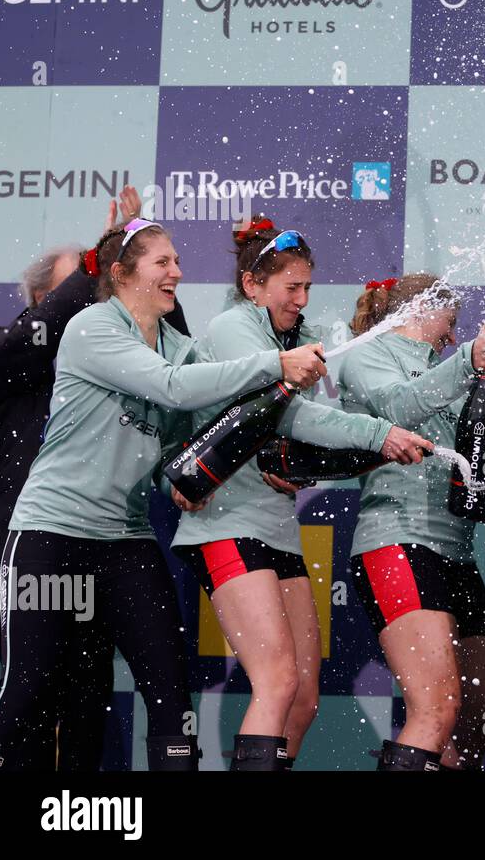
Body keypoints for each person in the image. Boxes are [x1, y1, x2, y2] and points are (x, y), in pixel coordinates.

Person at [0, 219, 327, 771]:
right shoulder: (90, 326)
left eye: (176, 260)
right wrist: (275, 363)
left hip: (127, 538)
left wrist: (261, 461)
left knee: (172, 700)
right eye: (163, 262)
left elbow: (209, 418)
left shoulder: (178, 344)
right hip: (51, 534)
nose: (178, 271)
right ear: (122, 275)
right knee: (29, 690)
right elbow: (173, 388)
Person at [171, 221, 430, 771]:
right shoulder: (232, 328)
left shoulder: (293, 335)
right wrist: (378, 435)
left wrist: (293, 462)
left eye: (307, 286)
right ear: (252, 285)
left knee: (304, 698)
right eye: (291, 287)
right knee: (277, 681)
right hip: (224, 525)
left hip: (276, 529)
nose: (302, 298)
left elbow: (286, 436)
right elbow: (292, 413)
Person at [0, 187, 187, 771]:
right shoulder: (10, 359)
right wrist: (108, 258)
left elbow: (176, 361)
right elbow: (43, 330)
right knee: (30, 693)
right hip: (31, 544)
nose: (100, 291)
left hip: (110, 542)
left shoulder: (125, 352)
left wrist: (138, 274)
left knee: (89, 696)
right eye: (86, 282)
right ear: (43, 301)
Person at [339, 274, 485, 771]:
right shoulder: (366, 355)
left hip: (457, 549)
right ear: (417, 310)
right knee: (435, 707)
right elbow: (398, 408)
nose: (453, 336)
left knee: (480, 716)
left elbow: (471, 448)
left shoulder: (446, 366)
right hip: (396, 539)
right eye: (450, 323)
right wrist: (467, 363)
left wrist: (483, 491)